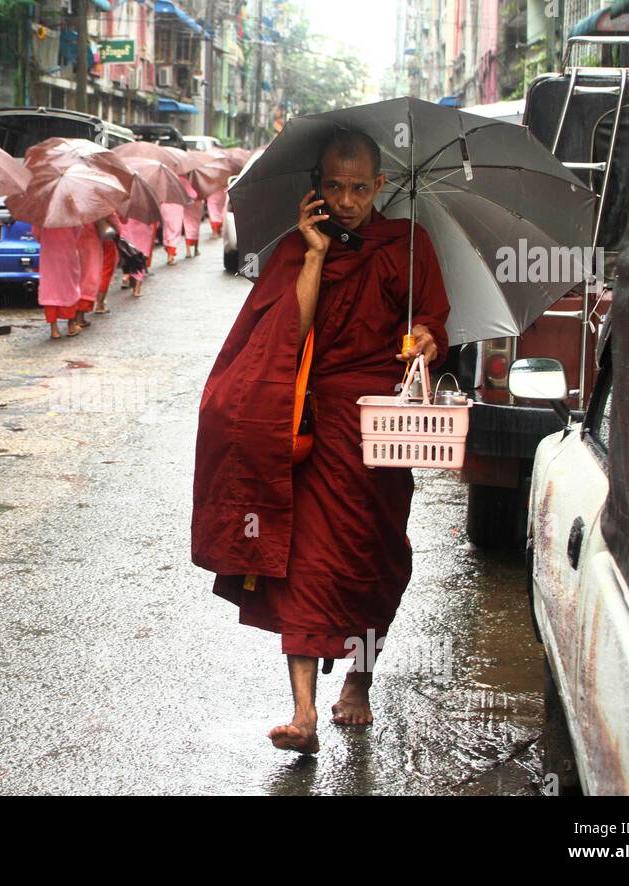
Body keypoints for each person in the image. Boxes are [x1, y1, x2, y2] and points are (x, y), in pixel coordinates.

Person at [191, 129, 450, 755]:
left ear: (380, 186)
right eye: (334, 186)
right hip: (311, 420)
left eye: (360, 187)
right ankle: (303, 711)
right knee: (304, 562)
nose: (347, 199)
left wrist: (423, 338)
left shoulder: (406, 244)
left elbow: (434, 322)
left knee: (372, 559)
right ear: (317, 188)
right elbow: (285, 334)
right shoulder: (298, 248)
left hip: (380, 429)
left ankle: (359, 680)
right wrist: (312, 254)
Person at [32, 224, 83, 339]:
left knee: (50, 288)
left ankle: (54, 329)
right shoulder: (70, 210)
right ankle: (71, 325)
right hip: (67, 252)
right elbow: (78, 230)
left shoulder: (43, 213)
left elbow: (36, 234)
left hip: (48, 253)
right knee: (69, 287)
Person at [119, 214, 156, 297]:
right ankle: (137, 288)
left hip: (127, 228)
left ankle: (127, 276)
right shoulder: (145, 203)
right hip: (144, 227)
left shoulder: (125, 203)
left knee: (129, 255)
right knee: (140, 257)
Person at [76, 221, 104, 327]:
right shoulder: (94, 205)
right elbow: (112, 217)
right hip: (90, 243)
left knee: (75, 280)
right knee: (88, 279)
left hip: (70, 244)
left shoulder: (63, 206)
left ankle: (72, 318)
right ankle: (80, 317)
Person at [95, 213, 123, 314]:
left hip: (86, 240)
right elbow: (117, 224)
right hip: (105, 239)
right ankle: (100, 303)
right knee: (106, 270)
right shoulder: (104, 206)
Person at [159, 192, 186, 265]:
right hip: (176, 207)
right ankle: (170, 257)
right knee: (175, 232)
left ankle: (169, 255)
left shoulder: (162, 185)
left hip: (164, 207)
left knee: (167, 230)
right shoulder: (178, 185)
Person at [182, 176, 206, 257]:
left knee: (187, 224)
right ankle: (196, 250)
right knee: (196, 225)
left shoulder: (182, 178)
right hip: (198, 202)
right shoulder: (199, 175)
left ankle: (188, 250)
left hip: (187, 202)